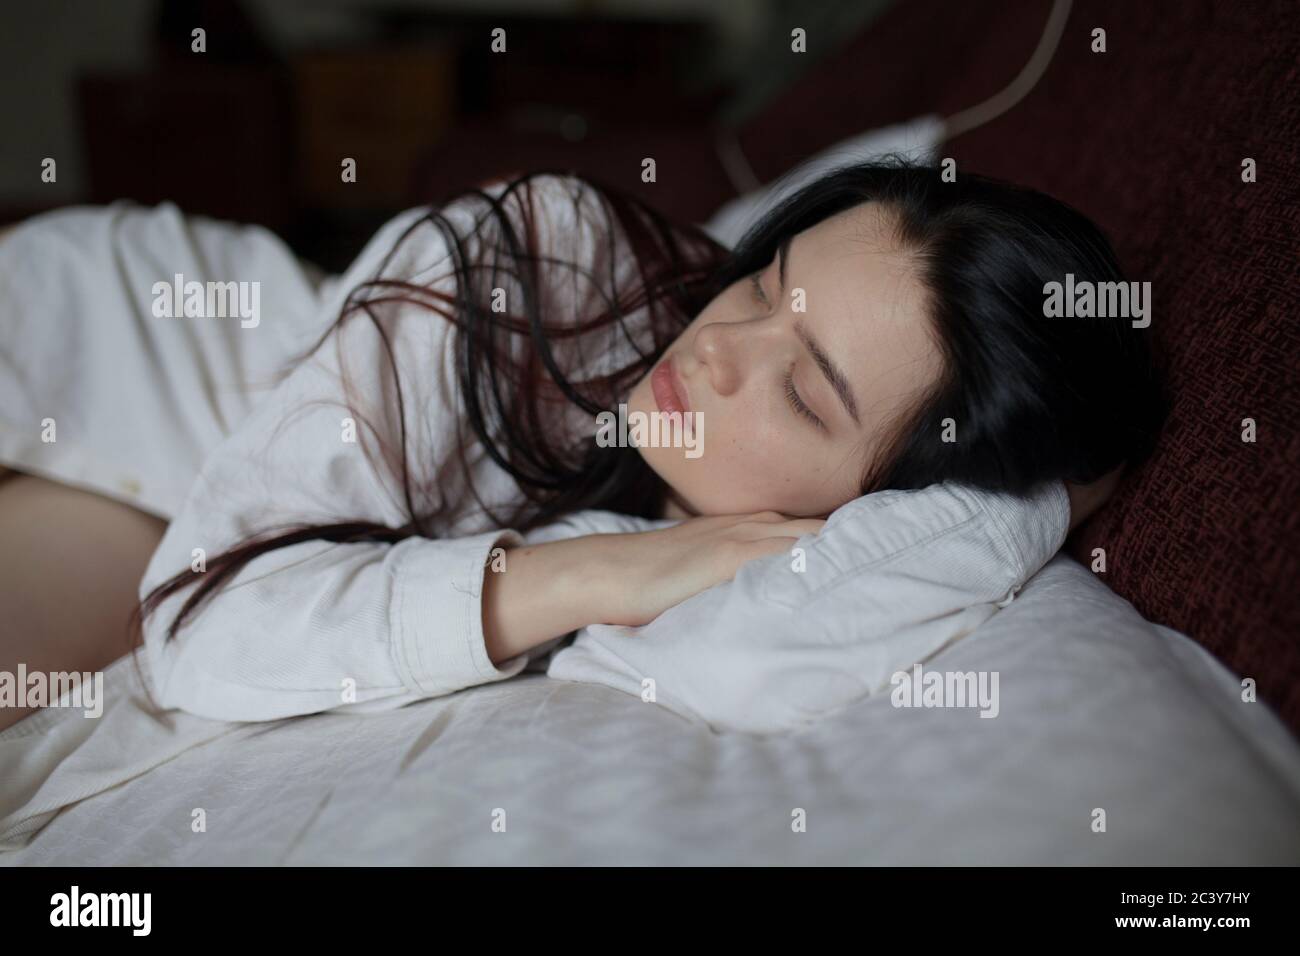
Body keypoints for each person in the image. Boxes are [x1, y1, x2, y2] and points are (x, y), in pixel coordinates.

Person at [0, 163, 1164, 731]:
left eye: (804, 392)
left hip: (155, 507)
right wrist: (607, 570)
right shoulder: (543, 259)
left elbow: (987, 517)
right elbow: (206, 631)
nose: (720, 349)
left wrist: (1055, 477)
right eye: (765, 280)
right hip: (102, 346)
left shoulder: (870, 508)